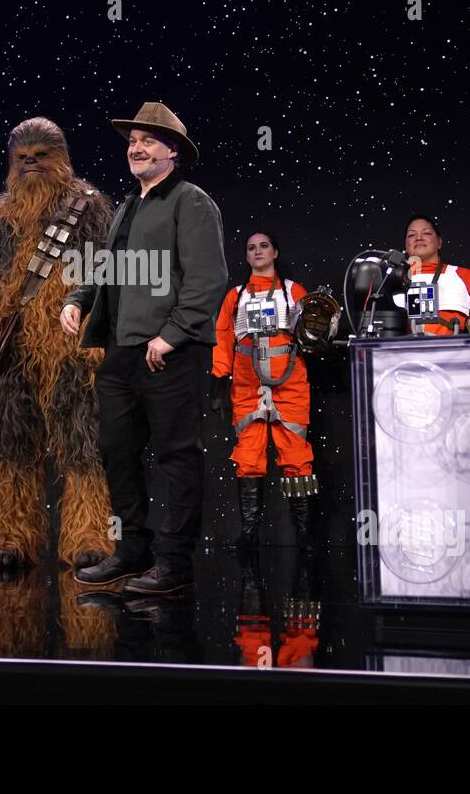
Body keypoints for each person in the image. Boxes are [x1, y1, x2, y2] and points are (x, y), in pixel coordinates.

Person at [66, 102, 228, 595]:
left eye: (148, 140)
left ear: (172, 150)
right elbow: (107, 269)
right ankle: (131, 550)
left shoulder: (191, 201)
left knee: (176, 454)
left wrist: (172, 335)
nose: (136, 148)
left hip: (169, 353)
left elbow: (208, 279)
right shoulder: (126, 207)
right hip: (122, 353)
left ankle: (175, 563)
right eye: (132, 141)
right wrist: (78, 299)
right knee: (116, 450)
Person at [0, 117, 116, 571]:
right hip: (18, 354)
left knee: (83, 449)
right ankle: (8, 538)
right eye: (21, 157)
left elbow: (101, 277)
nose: (29, 163)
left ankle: (91, 539)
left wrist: (94, 340)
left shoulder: (88, 208)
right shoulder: (0, 216)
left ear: (61, 158)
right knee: (11, 450)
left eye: (40, 156)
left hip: (71, 352)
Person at [211, 233, 318, 553]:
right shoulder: (236, 296)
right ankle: (249, 534)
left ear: (275, 252)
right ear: (246, 257)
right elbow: (223, 336)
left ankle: (304, 534)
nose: (258, 252)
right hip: (247, 386)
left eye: (264, 246)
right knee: (248, 459)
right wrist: (219, 380)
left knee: (297, 459)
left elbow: (312, 332)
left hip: (290, 385)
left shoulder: (292, 291)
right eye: (251, 248)